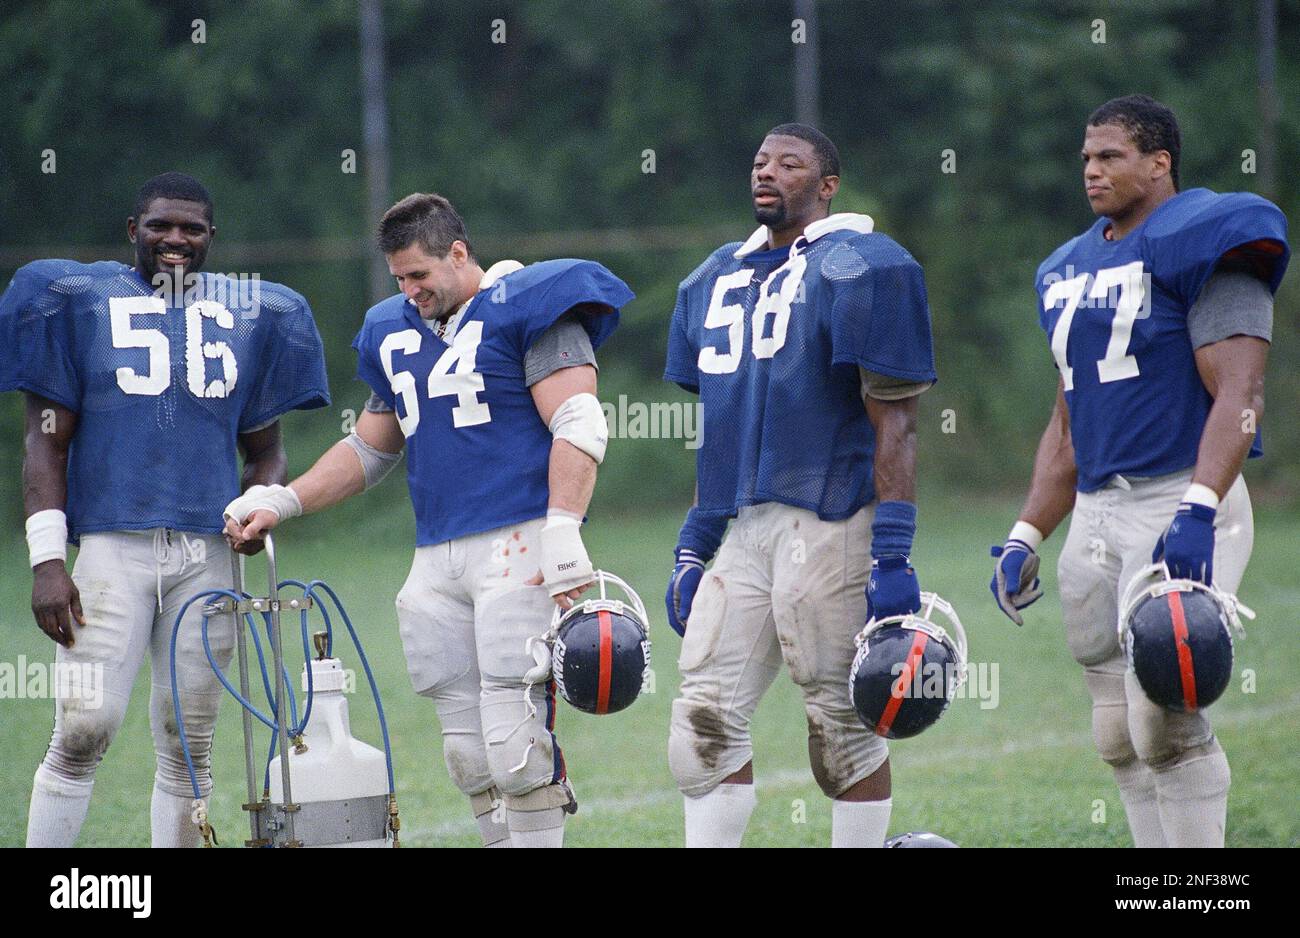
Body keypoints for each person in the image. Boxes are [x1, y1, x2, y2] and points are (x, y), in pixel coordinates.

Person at [224, 192, 634, 848]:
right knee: (468, 758)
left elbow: (579, 419)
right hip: (437, 553)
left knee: (515, 747)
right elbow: (370, 446)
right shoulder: (392, 328)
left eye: (420, 275)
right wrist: (284, 500)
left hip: (518, 538)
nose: (410, 290)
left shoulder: (526, 304)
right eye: (400, 278)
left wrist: (563, 526)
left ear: (460, 253)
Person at [990, 95, 1289, 847]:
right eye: (1087, 157)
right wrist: (1028, 530)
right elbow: (1068, 424)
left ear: (1160, 163)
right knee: (1118, 734)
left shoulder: (1203, 238)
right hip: (1096, 510)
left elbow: (1241, 394)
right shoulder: (1065, 268)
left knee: (1167, 720)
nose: (1091, 170)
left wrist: (1197, 507)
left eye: (1111, 155)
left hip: (1179, 496)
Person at [3, 172, 331, 847]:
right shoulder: (78, 302)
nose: (174, 239)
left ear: (212, 238)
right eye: (160, 225)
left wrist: (260, 499)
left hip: (206, 553)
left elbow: (265, 452)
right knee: (84, 727)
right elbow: (45, 448)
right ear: (134, 230)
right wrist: (46, 560)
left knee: (190, 742)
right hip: (110, 547)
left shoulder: (248, 312)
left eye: (191, 228)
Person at [662, 124, 937, 847]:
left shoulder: (862, 267)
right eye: (759, 161)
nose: (768, 172)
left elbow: (897, 423)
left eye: (790, 163)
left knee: (841, 721)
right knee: (702, 718)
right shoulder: (713, 279)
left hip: (834, 512)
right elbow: (721, 429)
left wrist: (894, 552)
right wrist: (695, 545)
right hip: (747, 526)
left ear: (826, 186)